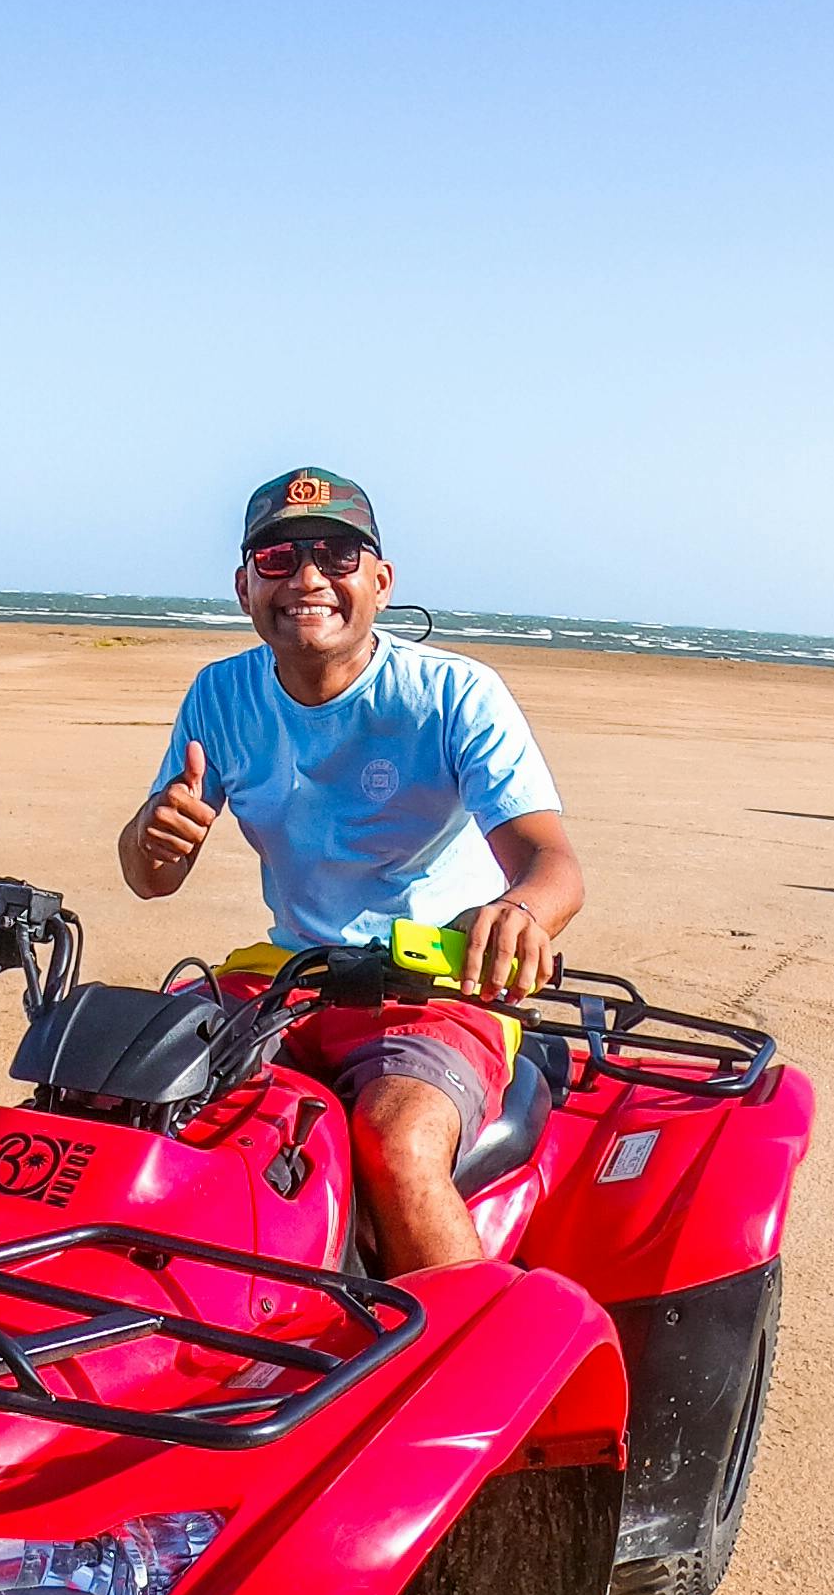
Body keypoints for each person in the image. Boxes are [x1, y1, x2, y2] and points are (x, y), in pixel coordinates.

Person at [117, 466, 584, 1271]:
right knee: (117, 1086)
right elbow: (149, 876)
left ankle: (470, 1361)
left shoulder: (453, 695)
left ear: (379, 580)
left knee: (395, 1146)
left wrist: (522, 914)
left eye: (335, 555)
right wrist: (153, 838)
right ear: (243, 586)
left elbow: (553, 864)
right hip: (288, 973)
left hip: (432, 987)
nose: (307, 579)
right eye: (278, 558)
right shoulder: (220, 695)